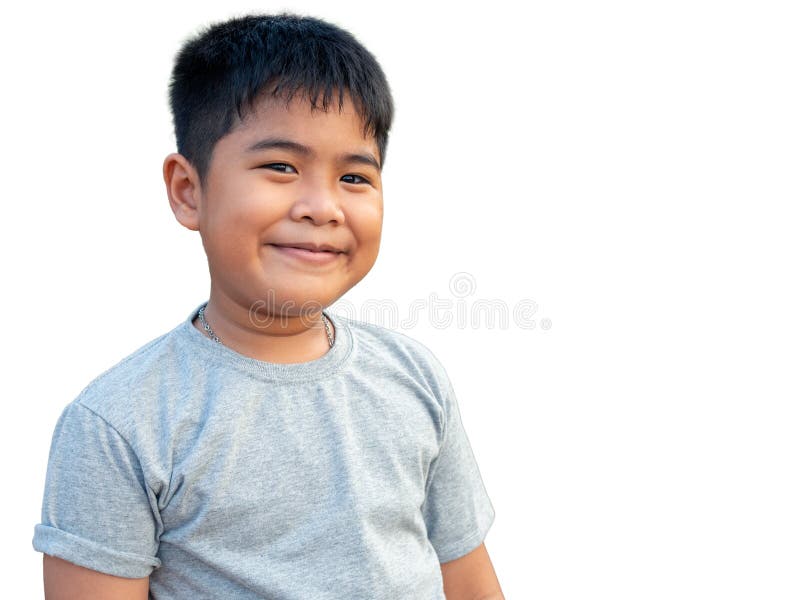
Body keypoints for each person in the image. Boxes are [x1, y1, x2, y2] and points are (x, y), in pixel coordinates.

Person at [32, 13, 503, 600]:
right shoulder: (118, 425)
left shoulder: (415, 378)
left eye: (355, 177)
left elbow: (468, 580)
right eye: (281, 166)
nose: (321, 206)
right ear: (188, 190)